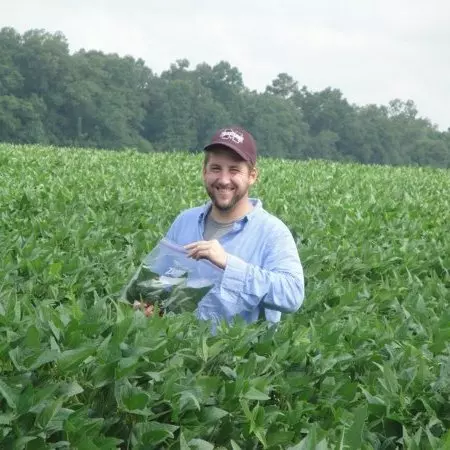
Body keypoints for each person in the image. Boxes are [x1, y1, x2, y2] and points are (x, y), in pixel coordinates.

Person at [163, 126, 305, 326]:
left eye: (234, 170)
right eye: (215, 168)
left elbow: (292, 294)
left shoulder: (272, 232)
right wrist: (148, 302)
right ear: (205, 172)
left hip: (240, 356)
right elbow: (158, 281)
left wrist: (229, 264)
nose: (223, 179)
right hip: (178, 352)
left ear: (252, 176)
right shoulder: (185, 220)